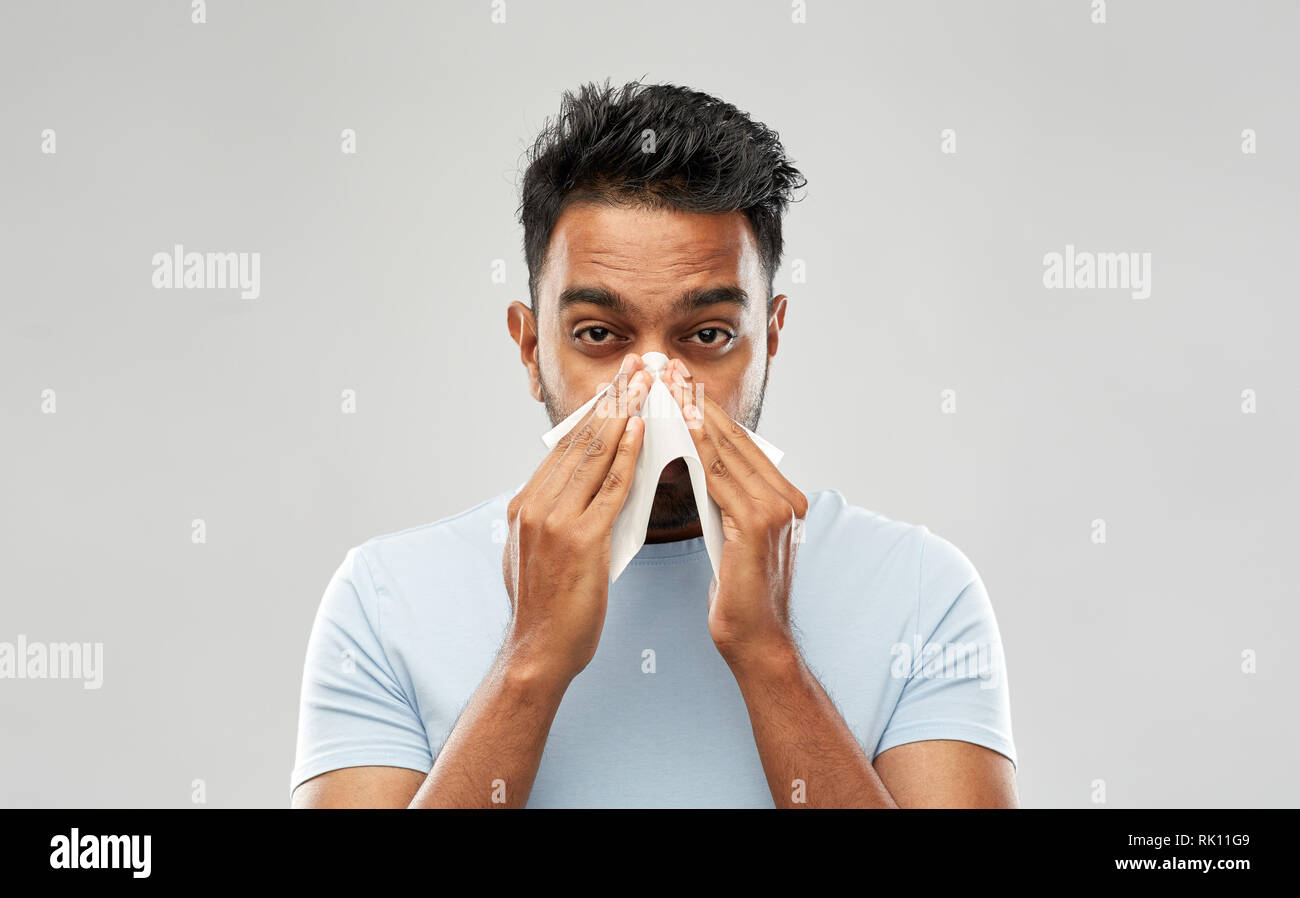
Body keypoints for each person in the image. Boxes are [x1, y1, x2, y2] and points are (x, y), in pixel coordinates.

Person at [290, 79, 1018, 808]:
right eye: (600, 336)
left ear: (770, 338)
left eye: (706, 336)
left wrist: (770, 656)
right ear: (529, 344)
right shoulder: (385, 600)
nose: (658, 387)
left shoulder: (921, 591)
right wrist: (531, 658)